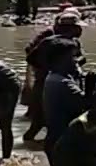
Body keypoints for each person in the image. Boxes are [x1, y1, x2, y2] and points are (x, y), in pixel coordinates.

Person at [23, 8, 86, 142]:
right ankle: (29, 150)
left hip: (66, 82)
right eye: (78, 27)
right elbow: (31, 57)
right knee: (39, 122)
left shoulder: (74, 42)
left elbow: (81, 58)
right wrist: (50, 67)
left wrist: (75, 63)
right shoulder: (50, 40)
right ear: (70, 28)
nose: (81, 31)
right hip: (47, 84)